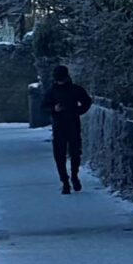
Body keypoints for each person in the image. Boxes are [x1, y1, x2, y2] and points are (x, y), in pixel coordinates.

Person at [43, 64, 93, 193]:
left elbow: (87, 102)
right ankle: (65, 181)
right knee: (60, 155)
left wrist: (77, 111)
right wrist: (54, 109)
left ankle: (74, 176)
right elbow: (43, 107)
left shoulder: (74, 89)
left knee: (75, 153)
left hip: (72, 124)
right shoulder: (52, 91)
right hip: (59, 126)